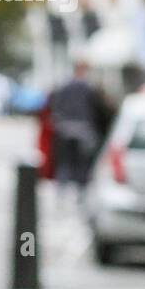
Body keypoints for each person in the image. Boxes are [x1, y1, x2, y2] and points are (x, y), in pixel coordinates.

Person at [48, 59, 110, 203]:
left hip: (65, 130)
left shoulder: (64, 86)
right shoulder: (90, 88)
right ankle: (80, 195)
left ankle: (61, 194)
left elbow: (55, 107)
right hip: (83, 130)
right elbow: (100, 110)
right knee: (82, 163)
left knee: (65, 162)